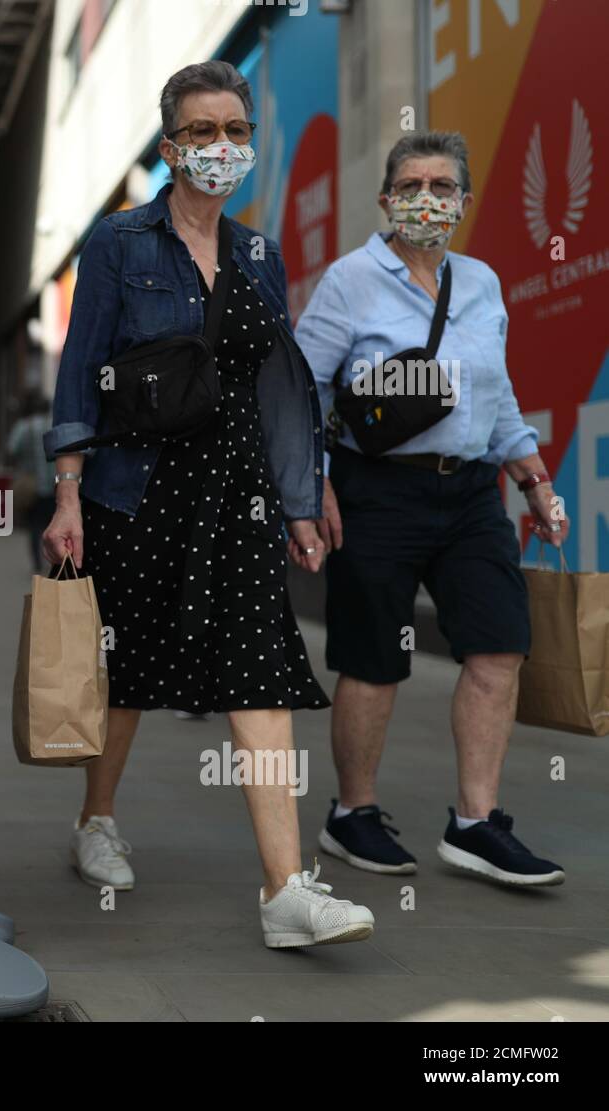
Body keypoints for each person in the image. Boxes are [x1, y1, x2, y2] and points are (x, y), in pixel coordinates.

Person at [41, 60, 373, 948]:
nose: (222, 147)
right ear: (170, 147)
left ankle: (286, 891)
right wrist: (67, 490)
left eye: (236, 131)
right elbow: (81, 371)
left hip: (239, 497)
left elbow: (279, 385)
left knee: (262, 669)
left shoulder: (261, 253)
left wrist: (303, 497)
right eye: (202, 132)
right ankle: (96, 820)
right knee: (130, 675)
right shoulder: (119, 243)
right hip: (135, 488)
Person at [295, 131, 566, 887]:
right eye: (410, 184)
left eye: (442, 186)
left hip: (472, 489)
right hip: (376, 489)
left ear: (463, 203)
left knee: (499, 642)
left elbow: (497, 391)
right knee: (376, 656)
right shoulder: (351, 281)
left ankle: (474, 824)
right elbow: (303, 390)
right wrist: (311, 482)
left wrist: (534, 480)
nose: (426, 198)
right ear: (385, 199)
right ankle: (353, 813)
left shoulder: (480, 282)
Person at [6, 393, 57, 569]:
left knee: (34, 525)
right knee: (52, 522)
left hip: (31, 485)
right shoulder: (54, 425)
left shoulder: (23, 427)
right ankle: (53, 560)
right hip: (54, 485)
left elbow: (11, 449)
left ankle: (37, 562)